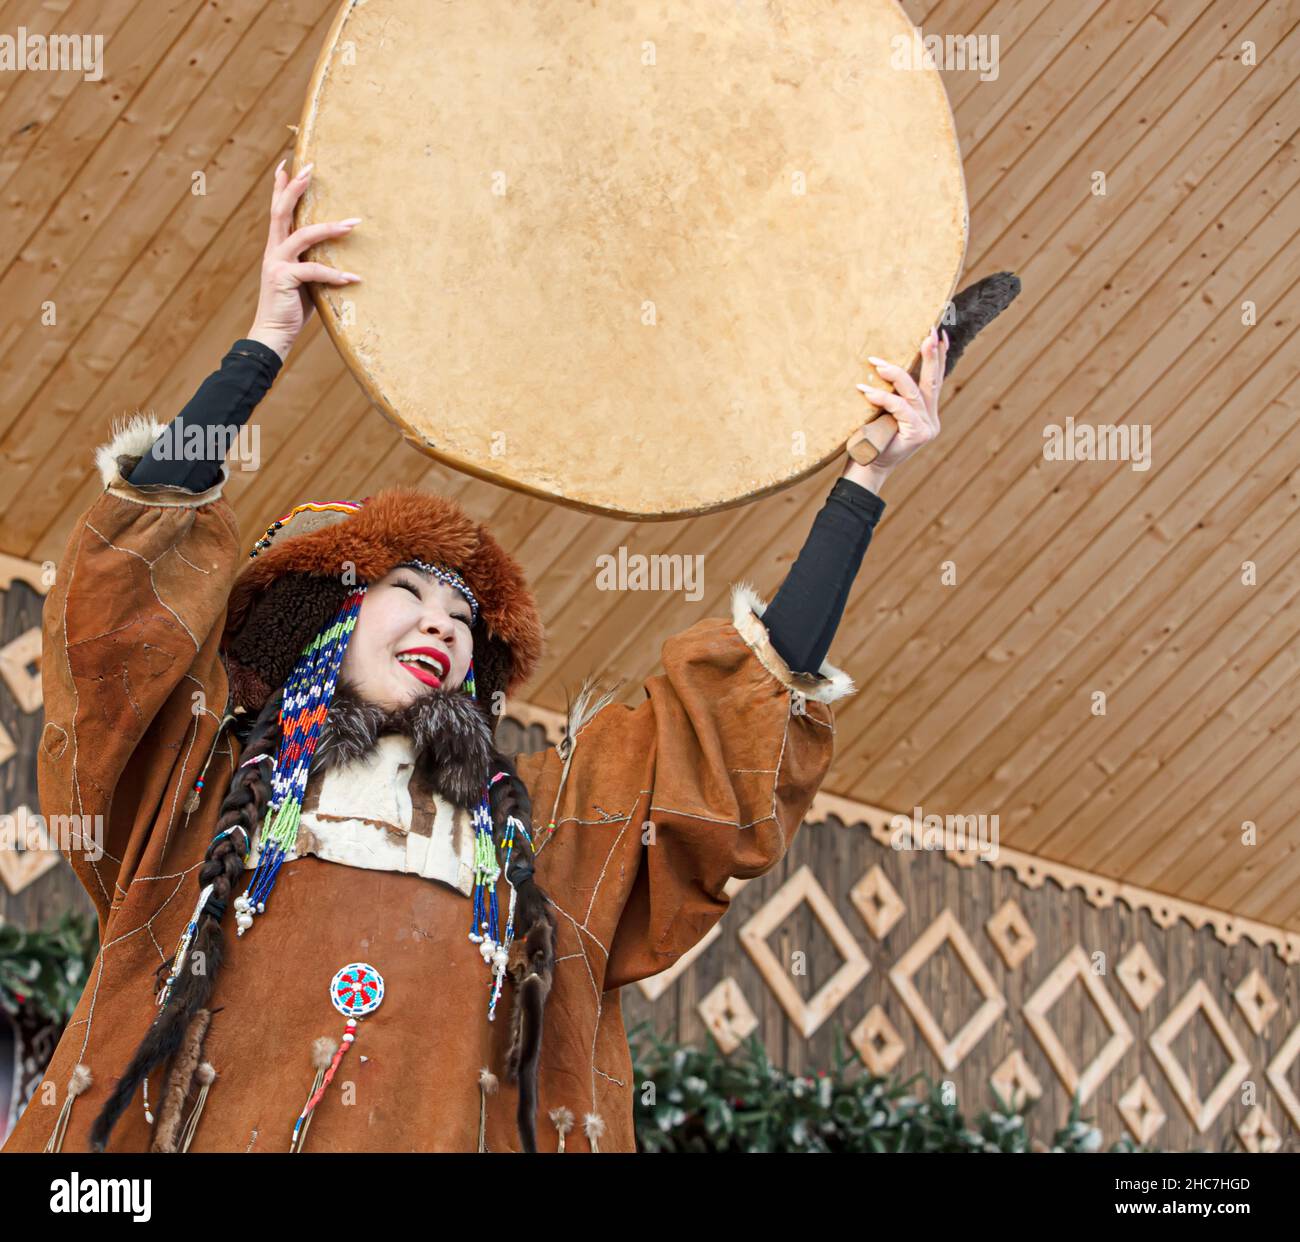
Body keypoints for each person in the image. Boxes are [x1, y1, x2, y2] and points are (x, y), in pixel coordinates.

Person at [1, 161, 1014, 1154]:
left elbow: (722, 746)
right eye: (405, 592)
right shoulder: (190, 797)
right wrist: (261, 347)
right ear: (316, 623)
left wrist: (865, 486)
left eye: (463, 618)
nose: (444, 625)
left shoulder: (550, 844)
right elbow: (117, 626)